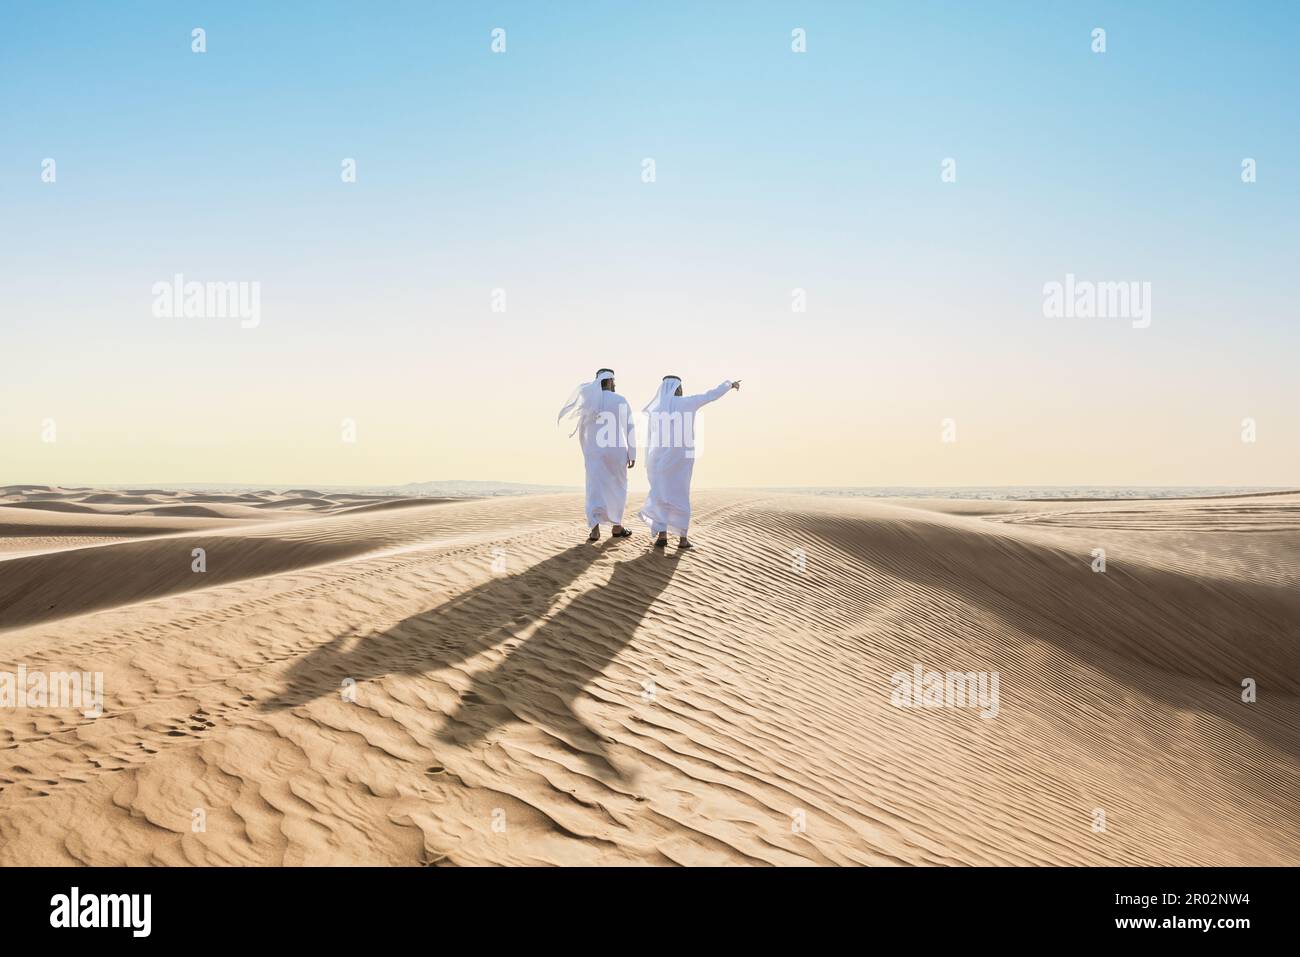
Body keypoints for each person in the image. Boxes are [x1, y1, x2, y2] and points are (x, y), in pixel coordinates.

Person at [639, 375, 740, 550]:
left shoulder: (657, 410)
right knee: (680, 495)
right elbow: (710, 395)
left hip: (659, 461)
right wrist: (729, 384)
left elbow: (651, 437)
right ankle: (682, 540)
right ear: (677, 388)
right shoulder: (687, 402)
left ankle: (662, 536)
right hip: (681, 461)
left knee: (661, 496)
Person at [557, 368, 636, 541]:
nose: (615, 384)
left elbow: (582, 431)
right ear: (608, 381)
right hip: (616, 453)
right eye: (613, 381)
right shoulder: (620, 400)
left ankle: (595, 529)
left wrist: (587, 452)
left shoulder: (589, 401)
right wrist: (633, 453)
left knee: (594, 488)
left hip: (594, 452)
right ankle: (617, 526)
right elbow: (629, 427)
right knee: (618, 488)